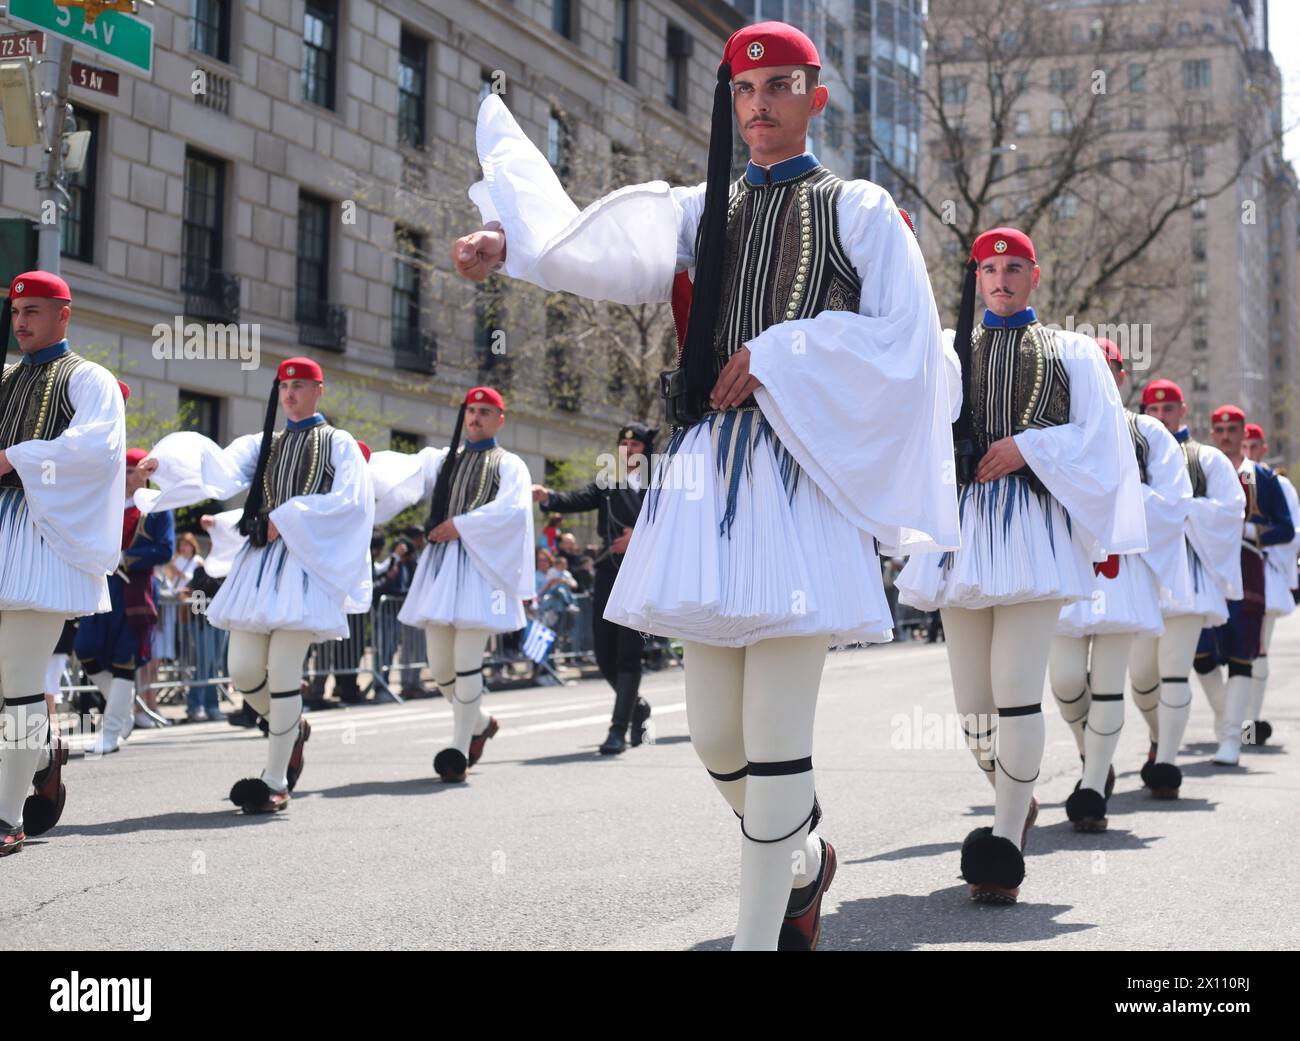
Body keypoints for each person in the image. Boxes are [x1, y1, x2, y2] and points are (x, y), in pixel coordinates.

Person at [454, 22, 958, 948]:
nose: (758, 104)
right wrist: (508, 244)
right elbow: (597, 250)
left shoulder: (861, 211)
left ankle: (761, 932)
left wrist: (782, 354)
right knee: (715, 739)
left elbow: (907, 349)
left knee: (771, 741)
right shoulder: (702, 208)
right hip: (710, 479)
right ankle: (805, 861)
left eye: (777, 87)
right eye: (744, 90)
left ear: (816, 95)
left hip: (801, 488)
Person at [897, 229, 1144, 902]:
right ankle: (1016, 793)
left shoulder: (1074, 351)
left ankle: (1005, 841)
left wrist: (1028, 447)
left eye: (1013, 268)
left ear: (1034, 276)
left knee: (1013, 688)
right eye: (989, 269)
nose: (1000, 279)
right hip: (962, 532)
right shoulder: (950, 351)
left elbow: (1101, 438)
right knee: (971, 702)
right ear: (978, 279)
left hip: (1032, 529)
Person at [135, 357, 373, 813]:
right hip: (259, 569)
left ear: (318, 391)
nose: (290, 395)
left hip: (306, 569)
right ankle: (293, 728)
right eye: (285, 387)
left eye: (300, 386)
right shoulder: (264, 442)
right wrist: (164, 463)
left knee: (283, 675)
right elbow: (219, 468)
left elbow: (352, 503)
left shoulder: (338, 443)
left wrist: (286, 520)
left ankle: (275, 779)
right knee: (244, 673)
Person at [0, 271, 125, 854]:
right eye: (16, 310)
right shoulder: (4, 378)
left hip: (42, 542)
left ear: (63, 315)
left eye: (33, 310)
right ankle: (44, 751)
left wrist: (14, 459)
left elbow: (97, 449)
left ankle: (6, 817)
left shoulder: (87, 377)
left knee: (20, 681)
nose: (21, 320)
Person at [1048, 339, 1191, 830]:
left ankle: (1091, 789)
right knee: (1065, 682)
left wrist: (1114, 496)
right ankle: (1095, 760)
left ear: (1122, 376)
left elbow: (1173, 503)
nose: (1101, 377)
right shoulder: (1055, 427)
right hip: (1067, 569)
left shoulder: (1146, 431)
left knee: (1109, 684)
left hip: (1121, 573)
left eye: (1109, 369)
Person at [368, 387, 534, 781]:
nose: (474, 418)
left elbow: (512, 511)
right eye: (470, 411)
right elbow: (401, 475)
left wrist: (460, 526)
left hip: (481, 571)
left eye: (483, 412)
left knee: (465, 662)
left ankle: (458, 749)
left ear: (499, 419)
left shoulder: (510, 464)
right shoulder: (443, 460)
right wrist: (360, 468)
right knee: (439, 666)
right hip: (441, 571)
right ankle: (481, 721)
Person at [1130, 379, 1243, 796]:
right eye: (1153, 410)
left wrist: (1176, 507)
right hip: (1143, 576)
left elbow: (1231, 512)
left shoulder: (1206, 458)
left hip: (1187, 580)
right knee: (1142, 678)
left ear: (1182, 412)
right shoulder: (1131, 450)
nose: (1160, 417)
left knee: (1174, 671)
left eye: (1168, 410)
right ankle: (1162, 738)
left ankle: (1167, 764)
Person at [534, 423, 657, 753]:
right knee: (603, 654)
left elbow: (676, 522)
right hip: (609, 570)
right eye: (622, 443)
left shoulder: (660, 484)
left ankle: (618, 729)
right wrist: (550, 497)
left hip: (640, 573)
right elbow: (578, 498)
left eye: (635, 444)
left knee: (629, 654)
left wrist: (640, 536)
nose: (627, 449)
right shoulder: (609, 482)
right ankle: (637, 706)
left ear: (646, 450)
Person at [1193, 405, 1294, 766]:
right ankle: (1228, 720)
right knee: (1200, 655)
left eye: (1232, 429)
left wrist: (1252, 530)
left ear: (1243, 433)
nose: (1225, 436)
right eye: (1219, 430)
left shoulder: (1261, 478)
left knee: (1243, 655)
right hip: (1207, 570)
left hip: (1249, 569)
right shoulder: (1201, 469)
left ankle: (1234, 738)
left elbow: (1286, 528)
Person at [77, 448, 175, 750]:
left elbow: (165, 550)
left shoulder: (159, 508)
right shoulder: (109, 504)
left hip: (135, 591)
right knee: (86, 650)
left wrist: (127, 558)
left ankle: (110, 734)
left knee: (124, 660)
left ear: (145, 475)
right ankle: (122, 712)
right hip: (104, 589)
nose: (126, 476)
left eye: (131, 470)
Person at [1241, 423, 1299, 746]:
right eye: (1243, 445)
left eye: (1253, 446)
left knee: (1257, 651)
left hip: (1263, 573)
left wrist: (1252, 535)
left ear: (1263, 448)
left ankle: (1249, 724)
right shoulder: (1224, 470)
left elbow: (1292, 532)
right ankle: (1234, 720)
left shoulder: (1277, 484)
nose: (1247, 452)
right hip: (1229, 574)